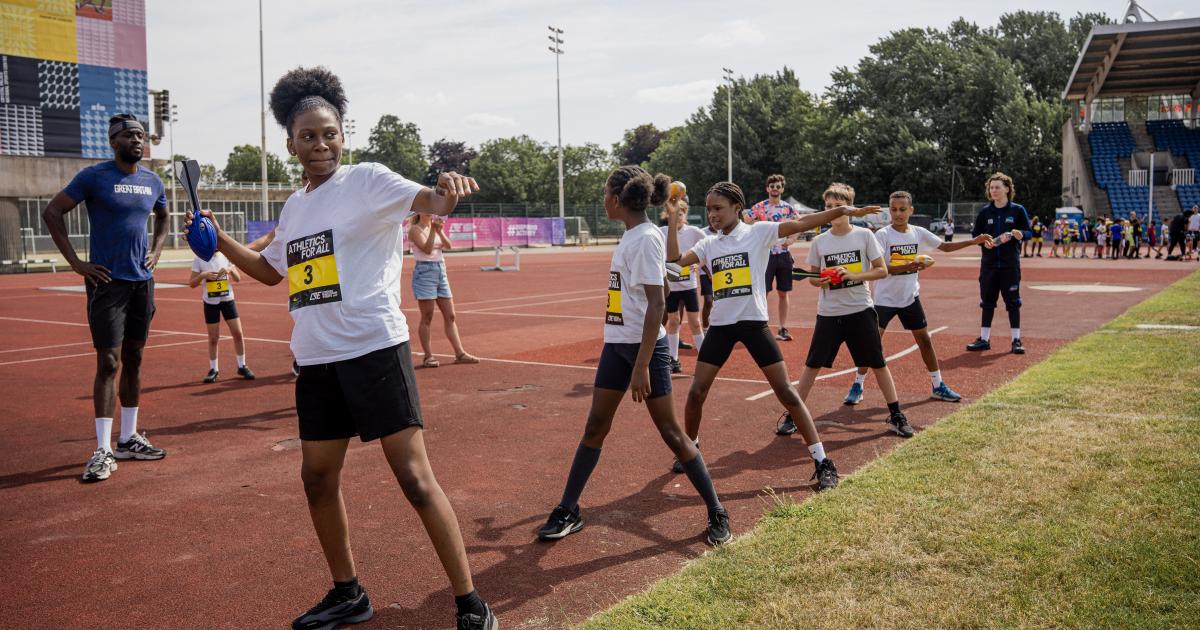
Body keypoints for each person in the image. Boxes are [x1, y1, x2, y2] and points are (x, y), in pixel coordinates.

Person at [185, 67, 497, 630]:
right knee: (317, 479)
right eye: (308, 135)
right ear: (291, 144)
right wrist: (217, 235)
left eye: (329, 133)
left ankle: (470, 601)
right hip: (316, 358)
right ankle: (348, 592)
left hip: (375, 349)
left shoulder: (369, 181)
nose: (320, 144)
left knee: (415, 480)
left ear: (343, 135)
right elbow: (270, 271)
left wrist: (447, 189)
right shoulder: (295, 207)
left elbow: (433, 201)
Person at [536, 167, 731, 547]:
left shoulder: (645, 240)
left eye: (604, 192)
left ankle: (717, 510)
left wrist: (641, 366)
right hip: (617, 345)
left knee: (673, 433)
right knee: (595, 426)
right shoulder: (631, 237)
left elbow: (658, 303)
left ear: (617, 198)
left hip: (646, 349)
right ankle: (569, 509)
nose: (602, 199)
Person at [666, 182, 879, 491]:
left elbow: (802, 223)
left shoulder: (758, 232)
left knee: (787, 393)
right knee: (696, 392)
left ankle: (822, 461)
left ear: (737, 208)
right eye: (709, 209)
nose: (712, 214)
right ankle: (690, 448)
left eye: (718, 208)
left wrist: (841, 210)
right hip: (722, 328)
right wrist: (672, 219)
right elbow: (674, 263)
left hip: (754, 325)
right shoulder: (707, 245)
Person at [41, 113, 169, 483]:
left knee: (135, 357)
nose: (138, 141)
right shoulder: (94, 177)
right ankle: (102, 449)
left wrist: (157, 251)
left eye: (141, 136)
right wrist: (77, 264)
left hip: (141, 282)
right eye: (130, 135)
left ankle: (128, 438)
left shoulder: (152, 181)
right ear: (113, 141)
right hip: (108, 283)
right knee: (109, 361)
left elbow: (163, 217)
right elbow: (53, 212)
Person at [784, 183, 912, 441]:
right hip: (829, 313)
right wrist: (817, 280)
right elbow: (812, 277)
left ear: (850, 209)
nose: (832, 211)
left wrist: (854, 275)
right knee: (812, 365)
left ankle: (896, 414)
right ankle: (793, 415)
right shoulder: (820, 241)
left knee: (878, 363)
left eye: (838, 206)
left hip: (860, 310)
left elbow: (881, 270)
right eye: (828, 207)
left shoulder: (864, 236)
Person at [843, 191, 993, 405]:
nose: (898, 213)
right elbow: (881, 268)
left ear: (911, 210)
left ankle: (938, 385)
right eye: (893, 209)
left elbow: (945, 247)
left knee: (924, 340)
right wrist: (908, 266)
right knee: (872, 344)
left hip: (910, 298)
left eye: (902, 209)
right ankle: (858, 384)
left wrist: (974, 241)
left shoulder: (919, 232)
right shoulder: (883, 235)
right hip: (884, 301)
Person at [966, 172, 1030, 355]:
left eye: (997, 187)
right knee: (987, 302)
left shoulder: (1017, 210)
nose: (993, 190)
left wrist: (1020, 234)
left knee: (1013, 302)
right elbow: (975, 235)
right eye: (991, 187)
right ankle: (984, 339)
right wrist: (983, 240)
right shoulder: (986, 212)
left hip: (1010, 265)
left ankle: (1016, 340)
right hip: (989, 265)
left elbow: (1028, 232)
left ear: (1007, 189)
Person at [408, 213, 478, 368]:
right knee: (427, 316)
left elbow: (448, 245)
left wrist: (439, 231)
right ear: (419, 211)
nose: (429, 211)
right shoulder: (414, 229)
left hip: (441, 270)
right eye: (426, 208)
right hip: (424, 272)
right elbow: (426, 249)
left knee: (451, 315)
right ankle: (428, 356)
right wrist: (434, 230)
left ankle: (460, 353)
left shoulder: (434, 226)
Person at [742, 174, 800, 341]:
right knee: (763, 291)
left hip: (783, 255)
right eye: (772, 186)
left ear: (782, 189)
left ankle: (782, 328)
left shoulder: (788, 208)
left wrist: (791, 240)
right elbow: (745, 223)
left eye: (778, 186)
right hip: (764, 256)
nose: (775, 189)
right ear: (767, 188)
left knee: (783, 292)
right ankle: (762, 326)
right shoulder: (759, 207)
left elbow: (799, 225)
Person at [188, 251, 255, 382]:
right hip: (210, 303)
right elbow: (191, 283)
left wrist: (229, 269)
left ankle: (242, 366)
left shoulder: (226, 255)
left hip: (228, 300)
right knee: (213, 338)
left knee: (238, 333)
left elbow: (238, 278)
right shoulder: (199, 259)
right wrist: (203, 275)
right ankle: (214, 369)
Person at [659, 193, 706, 373]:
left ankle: (703, 359)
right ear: (667, 214)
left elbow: (708, 247)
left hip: (689, 285)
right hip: (671, 286)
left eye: (680, 213)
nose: (677, 217)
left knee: (695, 322)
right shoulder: (662, 232)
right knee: (673, 320)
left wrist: (698, 263)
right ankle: (673, 359)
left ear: (684, 214)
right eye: (673, 214)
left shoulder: (694, 232)